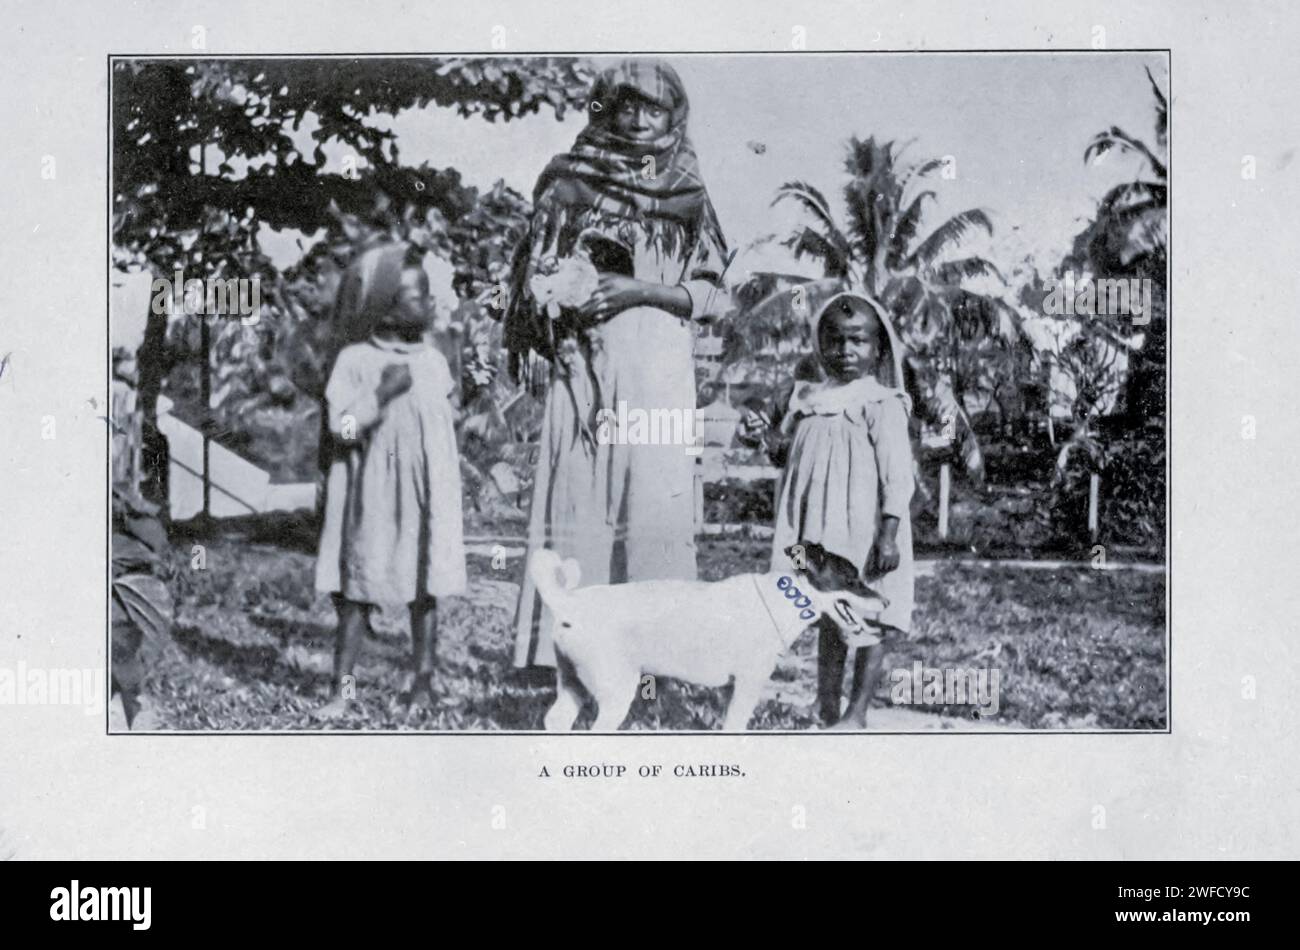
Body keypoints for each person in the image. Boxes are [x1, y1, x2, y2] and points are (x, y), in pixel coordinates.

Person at [504, 59, 730, 670]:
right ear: (602, 109)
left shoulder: (688, 193)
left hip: (656, 369)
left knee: (652, 510)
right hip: (582, 370)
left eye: (651, 108)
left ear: (672, 115)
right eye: (623, 105)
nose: (636, 119)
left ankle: (656, 664)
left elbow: (714, 294)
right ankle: (567, 663)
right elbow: (530, 276)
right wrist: (549, 296)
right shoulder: (565, 183)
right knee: (577, 506)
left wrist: (638, 290)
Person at [313, 243, 467, 719]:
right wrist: (380, 394)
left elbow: (445, 421)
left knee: (425, 591)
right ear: (384, 306)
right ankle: (343, 690)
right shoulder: (356, 361)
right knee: (359, 591)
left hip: (425, 497)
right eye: (417, 296)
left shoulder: (435, 361)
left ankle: (423, 683)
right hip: (373, 499)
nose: (428, 303)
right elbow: (339, 427)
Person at [770, 292, 915, 728]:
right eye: (835, 341)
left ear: (878, 348)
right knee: (832, 615)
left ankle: (857, 712)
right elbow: (788, 459)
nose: (846, 352)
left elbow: (896, 475)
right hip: (821, 533)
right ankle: (826, 702)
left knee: (870, 614)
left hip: (866, 532)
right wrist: (767, 440)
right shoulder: (809, 400)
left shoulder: (880, 403)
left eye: (858, 341)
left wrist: (888, 533)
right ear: (820, 345)